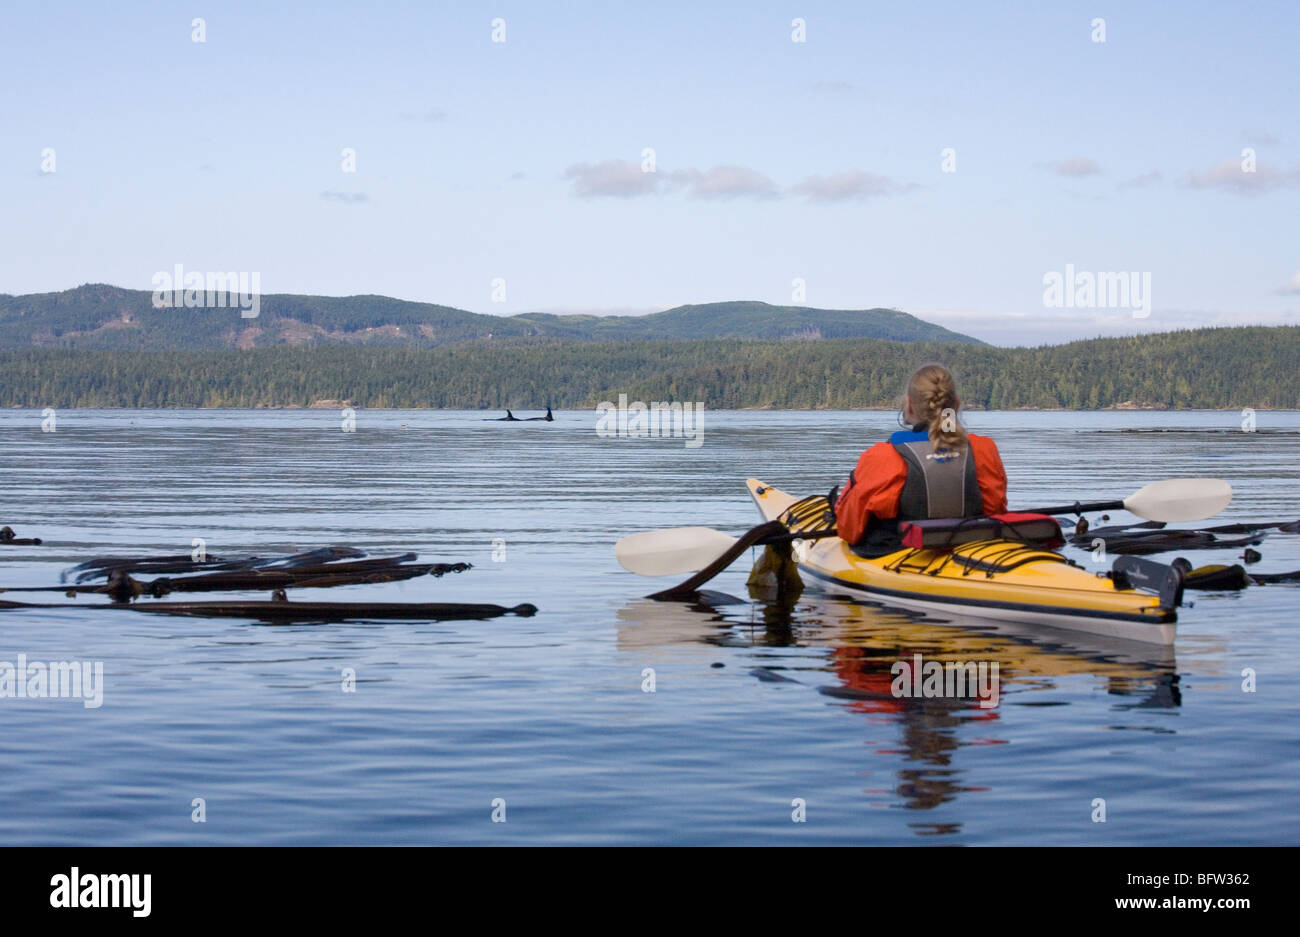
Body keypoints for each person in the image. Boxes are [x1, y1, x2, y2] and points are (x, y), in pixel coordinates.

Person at [833, 364, 1007, 556]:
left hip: (901, 553)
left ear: (908, 405)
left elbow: (849, 529)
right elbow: (996, 512)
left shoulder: (883, 457)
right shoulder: (984, 449)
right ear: (956, 405)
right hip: (971, 549)